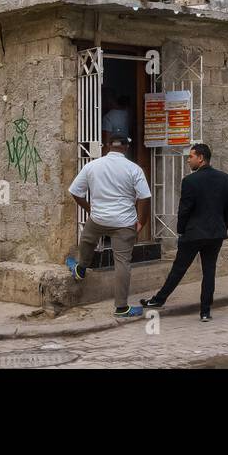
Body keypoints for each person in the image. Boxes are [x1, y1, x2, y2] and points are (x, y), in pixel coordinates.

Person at [141, 143, 228, 322]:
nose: (188, 160)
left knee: (178, 269)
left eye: (190, 157)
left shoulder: (190, 181)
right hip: (215, 233)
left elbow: (184, 210)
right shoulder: (224, 178)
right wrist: (222, 227)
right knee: (209, 272)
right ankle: (205, 311)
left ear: (201, 158)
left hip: (193, 234)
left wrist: (181, 231)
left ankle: (158, 300)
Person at [65, 135, 151, 319]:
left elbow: (75, 192)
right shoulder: (134, 169)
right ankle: (121, 308)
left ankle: (81, 269)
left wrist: (90, 209)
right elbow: (145, 197)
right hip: (125, 222)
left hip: (98, 219)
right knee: (122, 263)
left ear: (107, 147)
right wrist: (141, 222)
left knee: (87, 240)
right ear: (127, 148)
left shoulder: (92, 166)